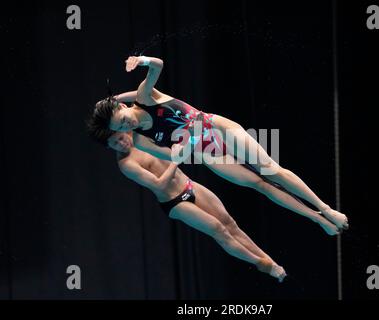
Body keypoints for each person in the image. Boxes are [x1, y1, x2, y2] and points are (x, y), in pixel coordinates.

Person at [88, 55, 349, 232]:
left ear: (123, 107)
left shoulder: (145, 96)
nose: (126, 126)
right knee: (262, 186)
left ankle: (326, 209)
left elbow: (158, 65)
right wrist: (182, 152)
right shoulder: (142, 141)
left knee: (272, 171)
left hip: (218, 129)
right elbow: (173, 155)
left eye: (123, 119)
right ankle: (318, 220)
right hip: (208, 154)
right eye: (120, 128)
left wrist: (141, 60)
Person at [99, 129, 287, 282]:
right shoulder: (127, 164)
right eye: (115, 144)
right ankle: (259, 262)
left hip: (189, 185)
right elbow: (159, 184)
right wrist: (176, 161)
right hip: (174, 202)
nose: (122, 144)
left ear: (124, 131)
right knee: (217, 228)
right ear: (109, 147)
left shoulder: (140, 134)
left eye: (121, 138)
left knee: (230, 223)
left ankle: (272, 264)